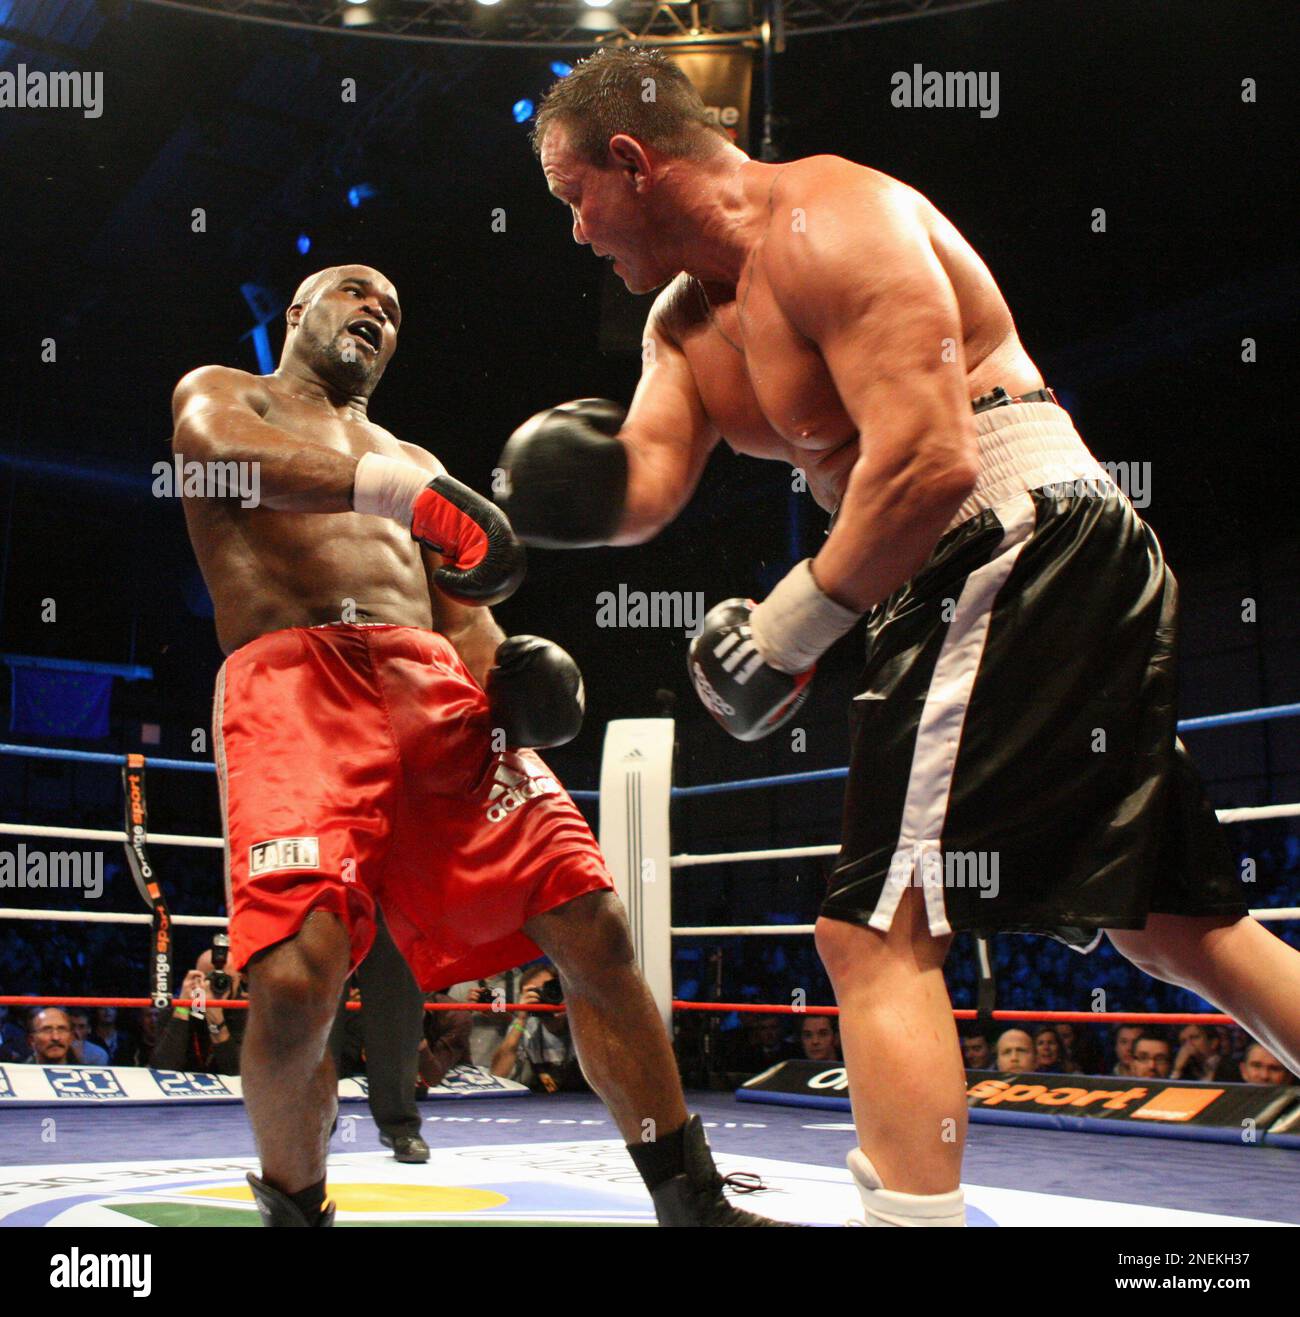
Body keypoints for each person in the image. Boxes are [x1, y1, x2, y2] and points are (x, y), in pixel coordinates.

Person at [496, 46, 1300, 1226]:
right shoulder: (683, 320)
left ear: (633, 160)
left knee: (872, 927)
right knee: (1175, 923)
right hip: (970, 569)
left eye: (576, 200)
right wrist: (535, 504)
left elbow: (930, 462)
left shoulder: (835, 220)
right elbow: (650, 483)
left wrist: (786, 627)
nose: (576, 235)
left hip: (1017, 538)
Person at [171, 264, 779, 1228]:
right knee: (295, 979)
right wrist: (413, 498)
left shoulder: (413, 458)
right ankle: (295, 1211)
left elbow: (470, 633)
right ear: (297, 312)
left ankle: (693, 1202)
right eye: (357, 291)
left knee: (593, 922)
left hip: (433, 692)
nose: (377, 309)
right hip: (294, 684)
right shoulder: (223, 395)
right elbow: (217, 461)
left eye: (394, 307)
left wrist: (533, 685)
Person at [328, 911, 429, 1164]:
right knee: (319, 1011)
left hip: (390, 884)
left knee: (397, 1003)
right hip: (329, 882)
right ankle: (310, 1127)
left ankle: (401, 1126)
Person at [491, 963, 582, 1091]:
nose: (545, 996)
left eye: (551, 988)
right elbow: (498, 1075)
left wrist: (575, 1008)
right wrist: (520, 1018)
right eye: (537, 992)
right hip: (547, 1103)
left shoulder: (583, 1021)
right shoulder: (526, 1027)